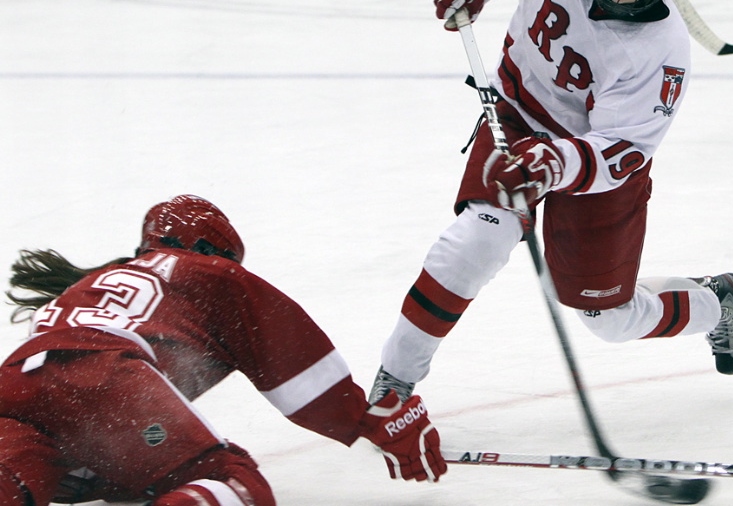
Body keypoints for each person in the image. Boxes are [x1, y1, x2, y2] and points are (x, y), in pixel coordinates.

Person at [370, 0, 733, 406]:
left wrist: (554, 164)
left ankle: (719, 301)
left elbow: (621, 153)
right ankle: (394, 384)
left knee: (610, 320)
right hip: (518, 114)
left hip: (594, 169)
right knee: (472, 245)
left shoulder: (662, 52)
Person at [0, 195, 447, 506]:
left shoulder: (87, 286)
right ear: (210, 249)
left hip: (15, 387)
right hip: (106, 381)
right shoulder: (206, 271)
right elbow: (286, 352)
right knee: (232, 482)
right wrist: (367, 420)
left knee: (15, 478)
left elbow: (65, 393)